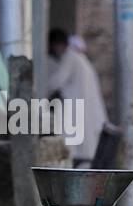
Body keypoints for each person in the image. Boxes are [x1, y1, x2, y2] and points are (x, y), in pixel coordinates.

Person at [46, 28, 109, 166]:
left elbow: (55, 82)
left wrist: (38, 93)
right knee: (84, 154)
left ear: (57, 45)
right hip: (85, 113)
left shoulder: (70, 57)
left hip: (78, 114)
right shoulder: (81, 60)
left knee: (76, 156)